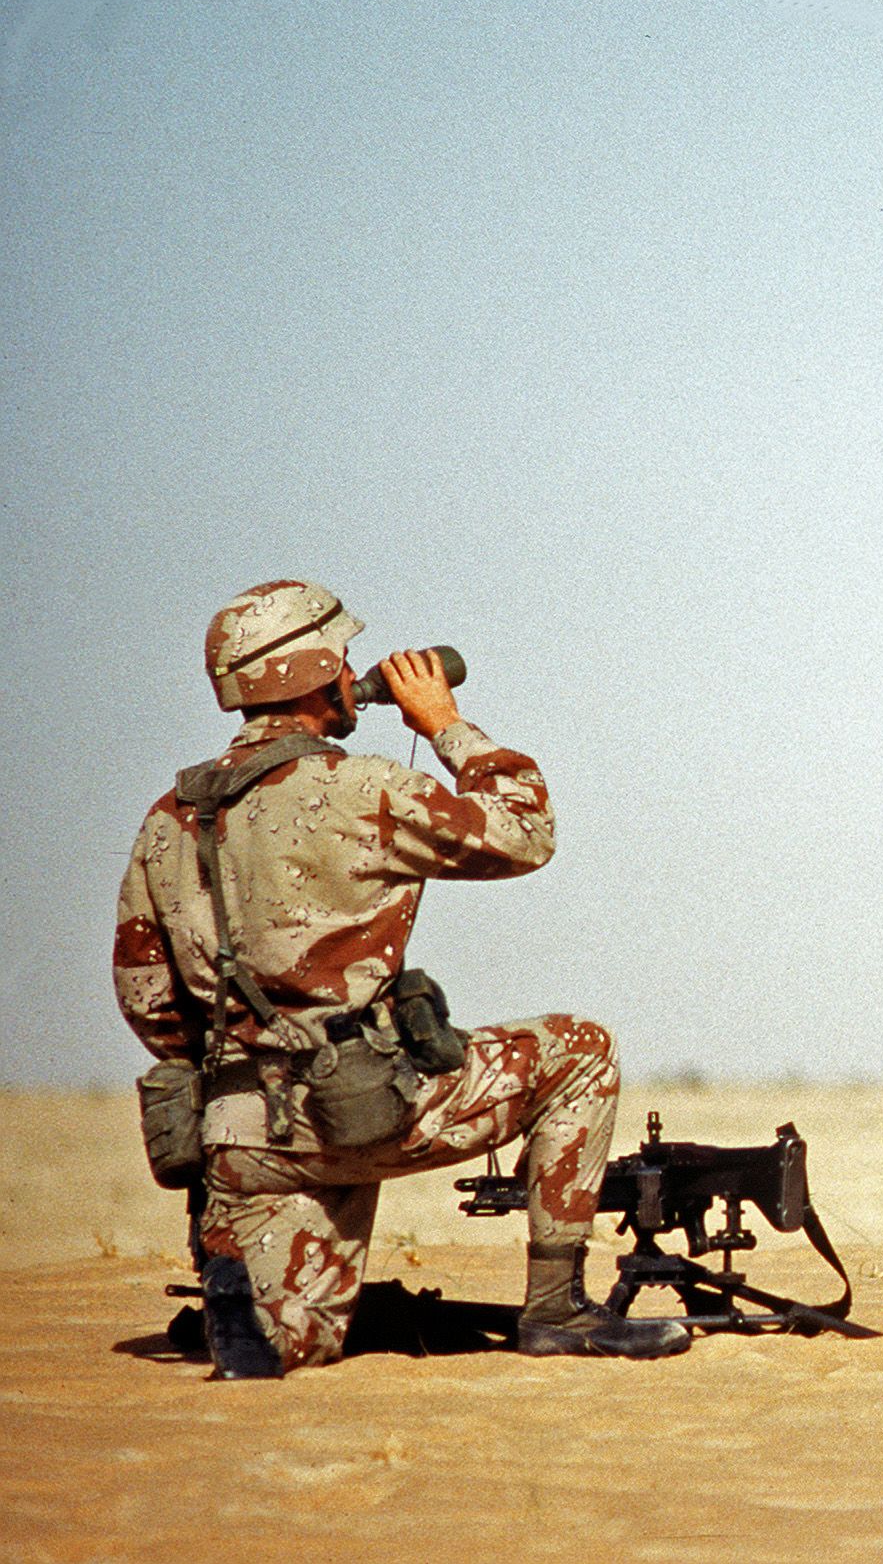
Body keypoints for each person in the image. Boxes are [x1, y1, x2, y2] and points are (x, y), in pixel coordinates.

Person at [114, 580, 687, 1377]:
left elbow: (146, 998)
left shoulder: (171, 815)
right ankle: (556, 1307)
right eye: (344, 661)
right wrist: (445, 724)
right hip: (360, 1111)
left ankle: (239, 1297)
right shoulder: (363, 789)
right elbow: (525, 833)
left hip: (240, 1137)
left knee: (300, 1347)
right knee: (582, 1050)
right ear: (316, 672)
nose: (357, 676)